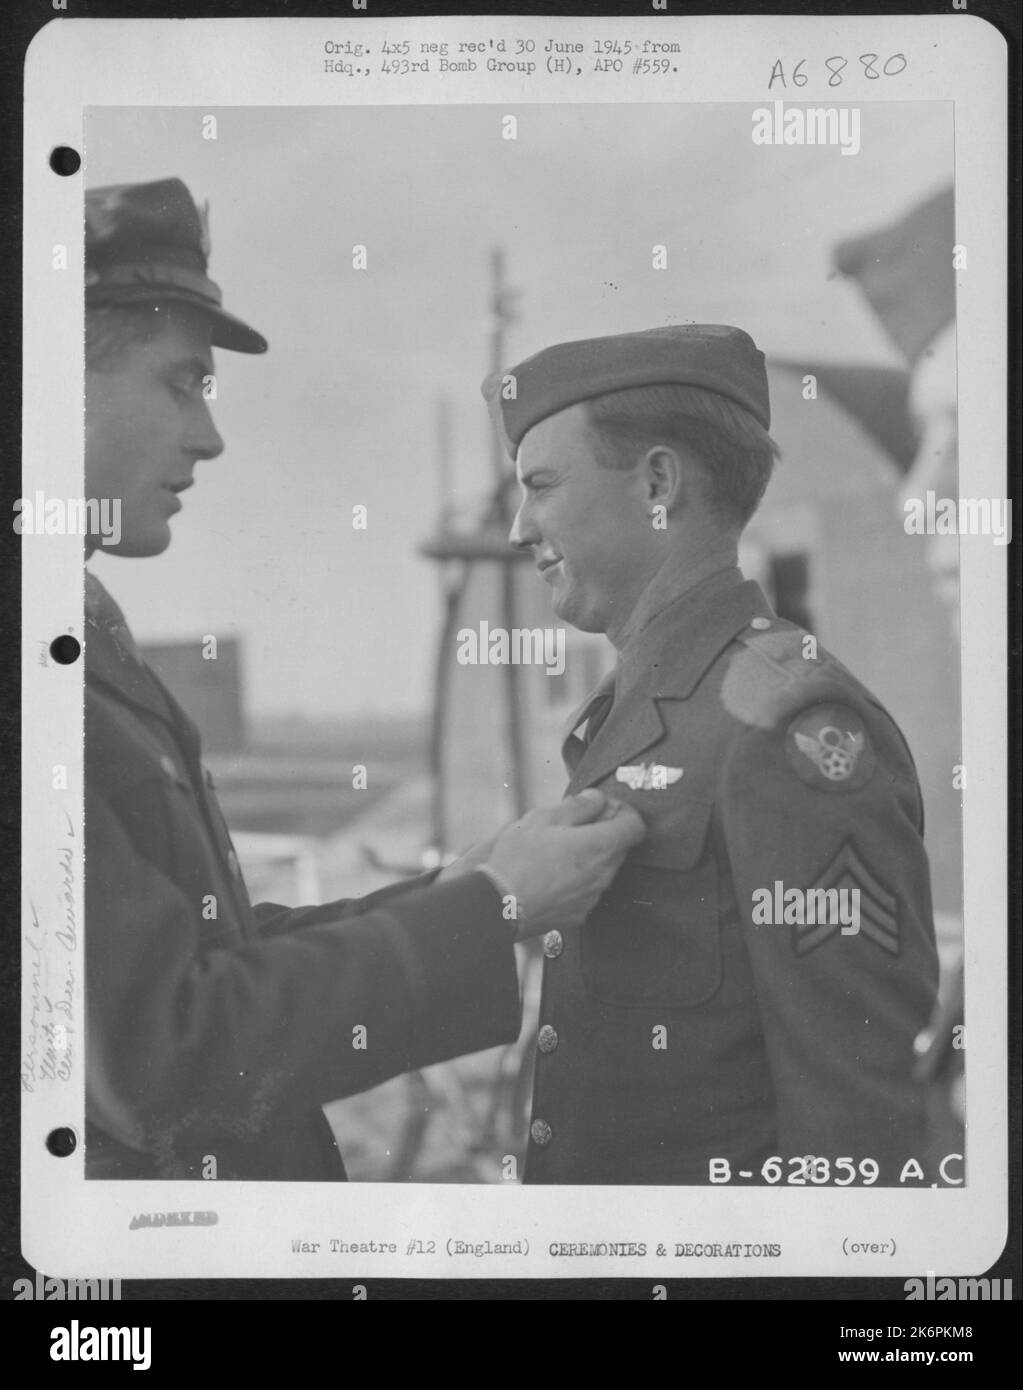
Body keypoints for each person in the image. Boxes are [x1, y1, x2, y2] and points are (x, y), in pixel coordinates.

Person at [83, 178, 644, 1182]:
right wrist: (494, 911)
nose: (209, 437)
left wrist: (472, 887)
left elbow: (221, 951)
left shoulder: (83, 642)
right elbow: (166, 1051)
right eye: (180, 383)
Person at [484, 324, 940, 1185]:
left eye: (540, 486)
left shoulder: (781, 724)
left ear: (658, 482)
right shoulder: (638, 707)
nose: (517, 528)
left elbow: (857, 1116)